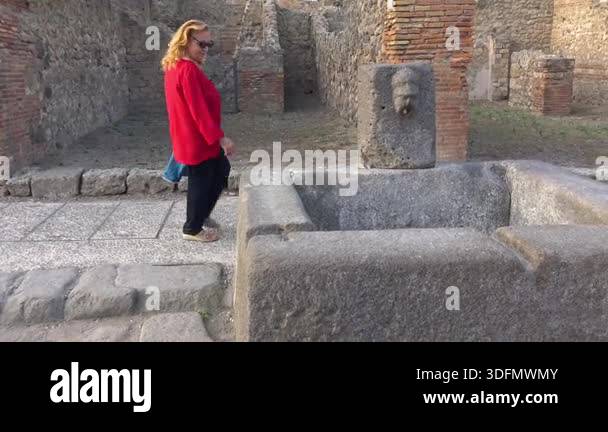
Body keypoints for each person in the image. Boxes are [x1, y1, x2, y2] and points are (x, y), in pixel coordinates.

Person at [161, 20, 235, 242]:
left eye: (208, 44)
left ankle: (201, 216)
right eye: (201, 44)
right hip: (198, 138)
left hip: (191, 135)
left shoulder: (175, 66)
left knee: (219, 170)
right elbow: (199, 111)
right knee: (202, 180)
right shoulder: (188, 71)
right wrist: (221, 139)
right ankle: (192, 227)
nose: (205, 49)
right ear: (185, 41)